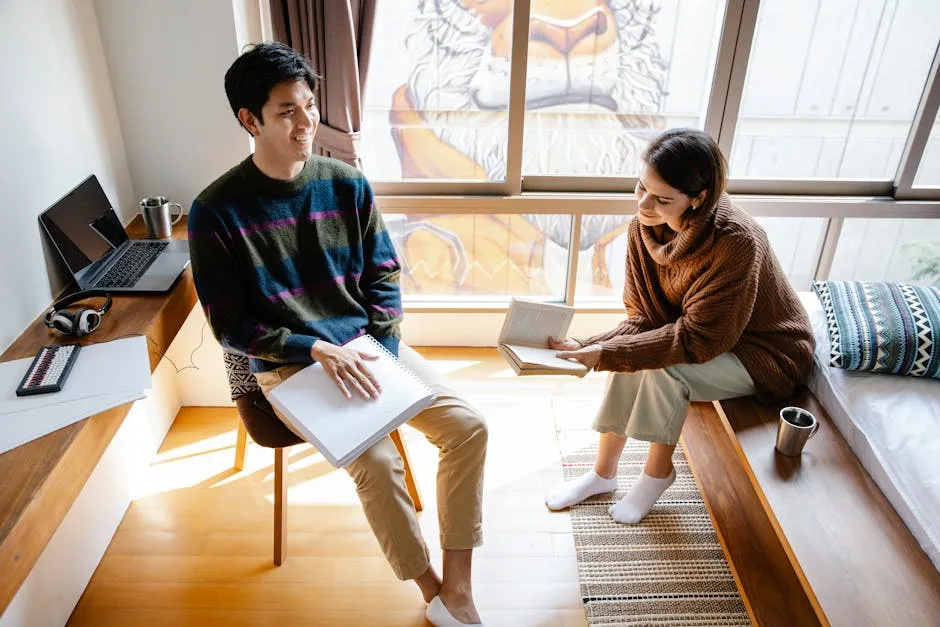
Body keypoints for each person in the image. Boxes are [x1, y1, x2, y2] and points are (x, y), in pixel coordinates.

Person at [188, 42, 487, 627]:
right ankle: (430, 590)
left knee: (469, 427)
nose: (307, 124)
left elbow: (383, 278)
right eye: (286, 112)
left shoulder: (348, 184)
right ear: (249, 120)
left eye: (309, 105)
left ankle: (460, 585)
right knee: (375, 465)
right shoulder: (216, 210)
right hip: (293, 367)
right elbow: (230, 326)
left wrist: (381, 350)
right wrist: (312, 348)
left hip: (367, 350)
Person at [544, 128, 814, 524]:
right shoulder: (644, 225)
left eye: (662, 198)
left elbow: (698, 340)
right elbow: (646, 318)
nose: (644, 203)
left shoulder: (735, 241)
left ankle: (657, 475)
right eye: (640, 188)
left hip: (763, 351)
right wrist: (587, 345)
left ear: (699, 198)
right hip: (707, 335)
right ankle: (603, 474)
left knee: (663, 369)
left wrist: (602, 353)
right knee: (628, 358)